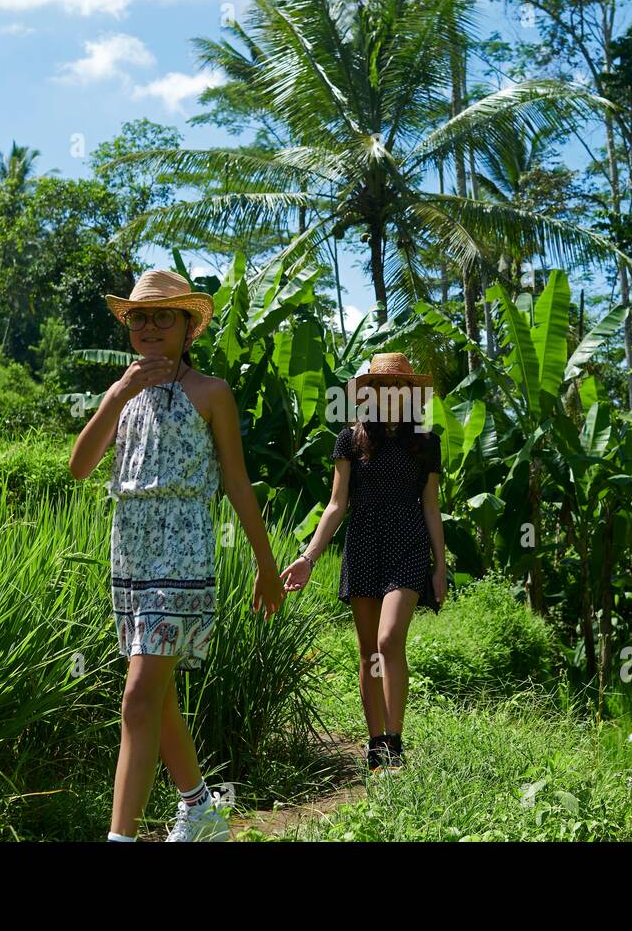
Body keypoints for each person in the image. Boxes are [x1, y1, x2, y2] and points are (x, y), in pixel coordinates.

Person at [68, 269, 285, 842]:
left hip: (182, 550)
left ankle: (121, 838)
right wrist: (118, 394)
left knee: (138, 698)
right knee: (154, 697)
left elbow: (237, 483)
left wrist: (266, 564)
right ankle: (201, 808)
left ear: (189, 327)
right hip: (129, 552)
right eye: (139, 317)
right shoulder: (124, 392)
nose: (149, 327)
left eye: (165, 316)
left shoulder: (212, 392)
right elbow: (79, 465)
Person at [280, 353, 447, 774]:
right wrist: (308, 558)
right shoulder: (350, 440)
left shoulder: (426, 441)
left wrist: (441, 565)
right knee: (368, 650)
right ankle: (375, 745)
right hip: (364, 543)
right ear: (368, 393)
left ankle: (394, 742)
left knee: (390, 640)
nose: (389, 394)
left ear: (409, 394)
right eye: (380, 387)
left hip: (409, 543)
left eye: (397, 387)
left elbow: (431, 508)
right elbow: (337, 506)